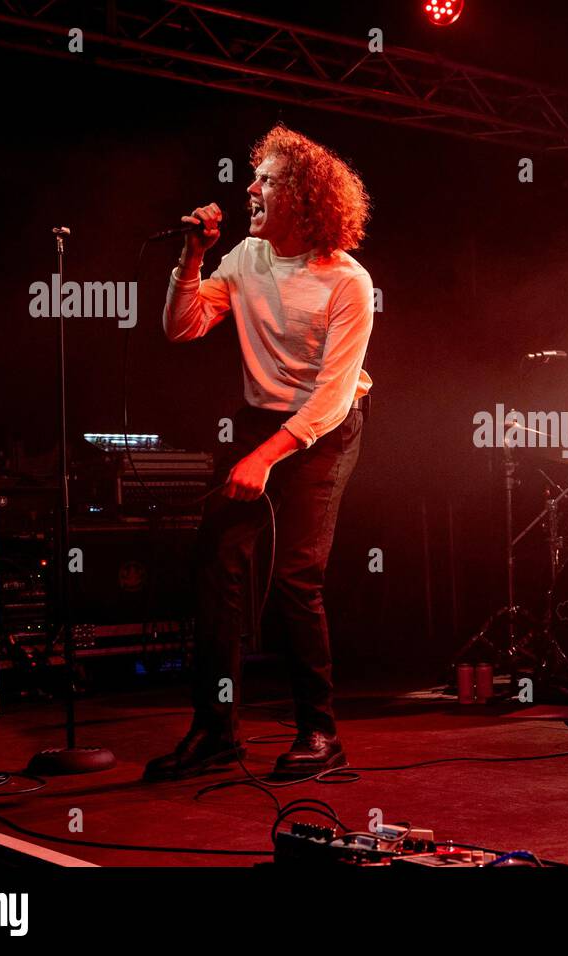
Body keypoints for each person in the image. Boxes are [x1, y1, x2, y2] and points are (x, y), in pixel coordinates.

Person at [144, 123, 374, 781]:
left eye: (267, 180)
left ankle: (321, 735)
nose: (250, 188)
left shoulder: (348, 283)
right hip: (260, 422)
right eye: (255, 176)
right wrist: (191, 259)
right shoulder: (247, 257)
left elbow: (330, 402)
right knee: (217, 568)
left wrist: (265, 458)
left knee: (297, 577)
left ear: (302, 199)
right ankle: (215, 732)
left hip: (325, 430)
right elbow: (183, 327)